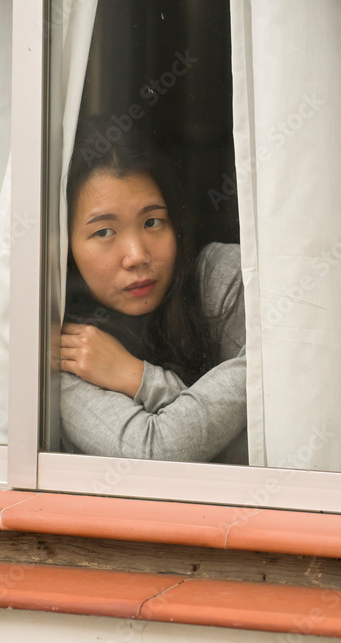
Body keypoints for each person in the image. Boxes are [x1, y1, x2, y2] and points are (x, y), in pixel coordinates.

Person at [59, 118, 247, 463]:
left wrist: (135, 377)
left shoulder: (225, 277)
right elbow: (159, 450)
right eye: (104, 232)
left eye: (152, 222)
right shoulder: (69, 349)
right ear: (64, 248)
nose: (137, 256)